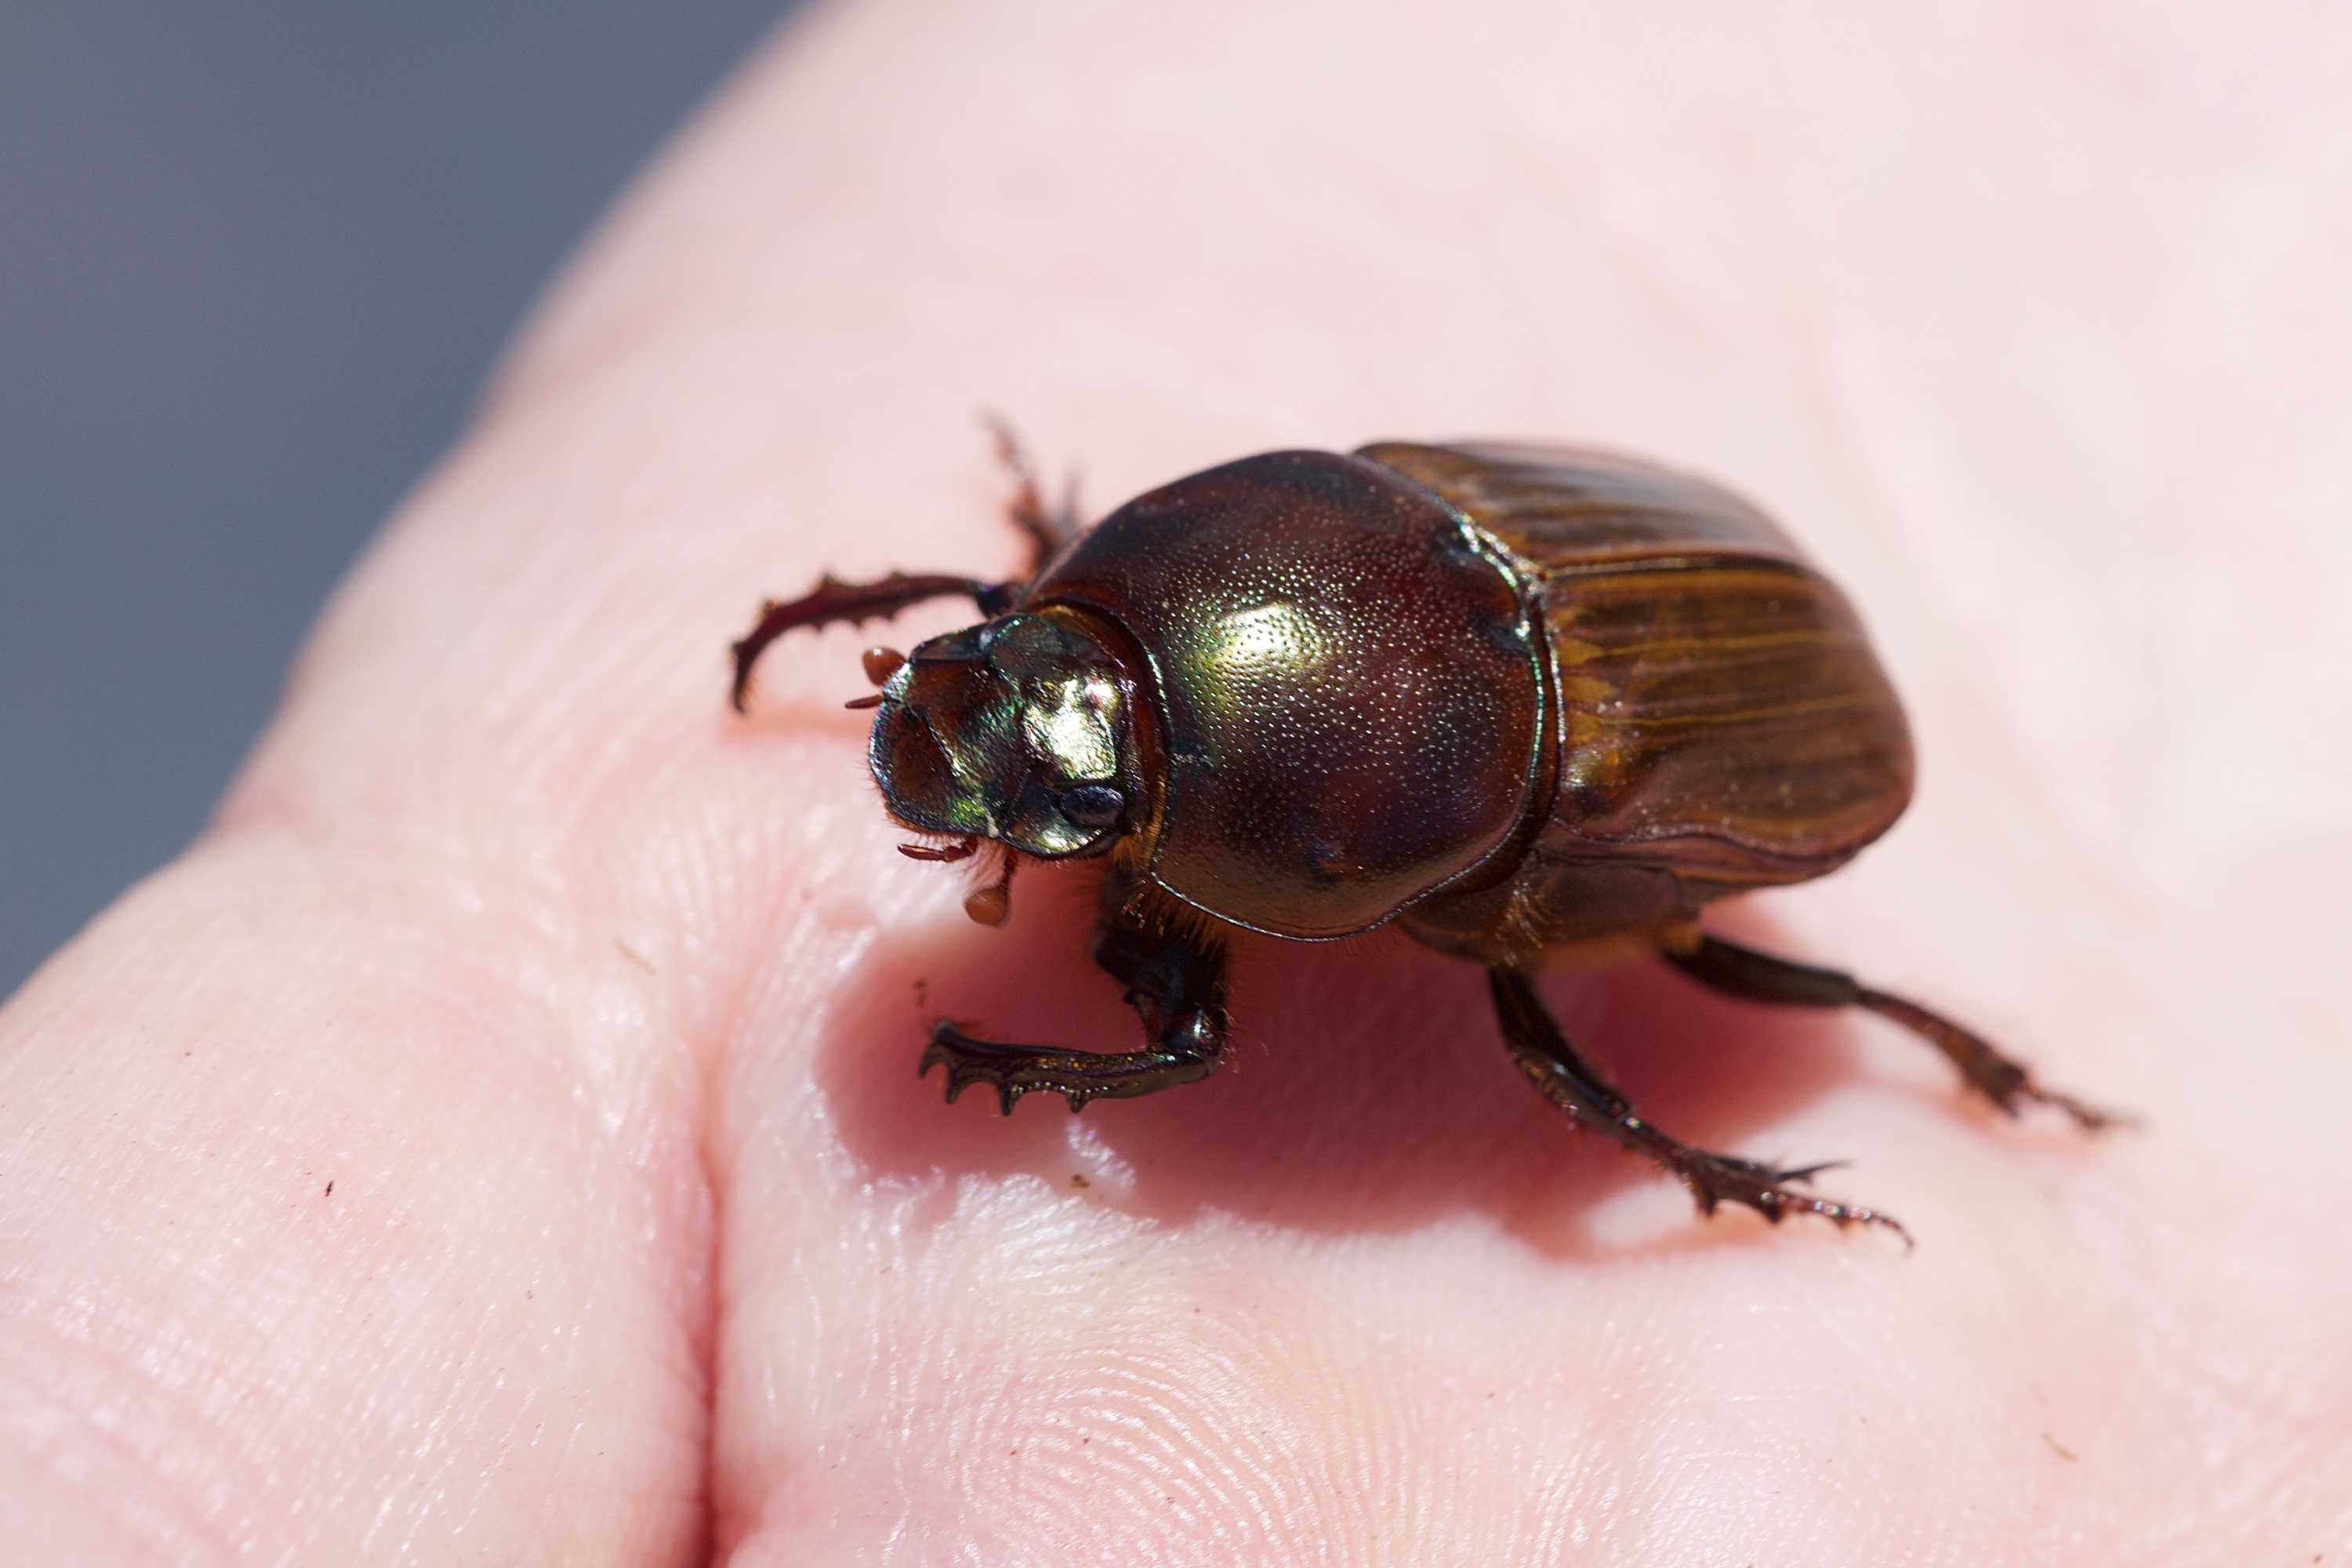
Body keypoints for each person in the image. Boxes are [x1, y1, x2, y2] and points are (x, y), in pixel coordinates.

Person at [4, 2, 2346, 1560]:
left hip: (1692, 715)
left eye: (1080, 754)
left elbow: (1205, 1025)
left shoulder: (1433, 832)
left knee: (1606, 1071)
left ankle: (1953, 1093)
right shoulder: (1228, 577)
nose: (1027, 734)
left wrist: (1008, 1041)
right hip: (1464, 590)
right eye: (1050, 659)